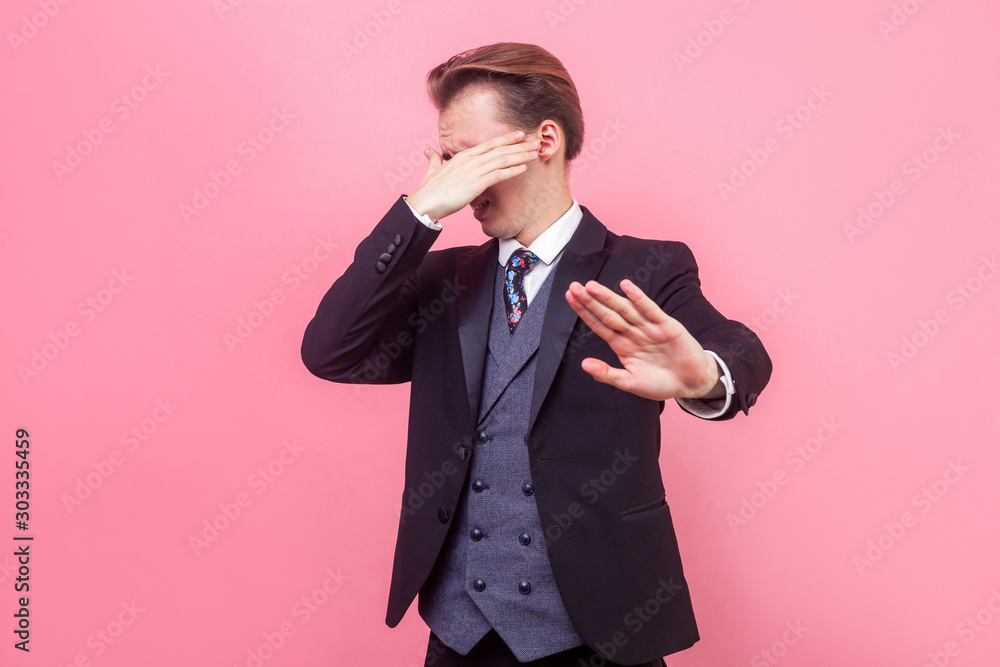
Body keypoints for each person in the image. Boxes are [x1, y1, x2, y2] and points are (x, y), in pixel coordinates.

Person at [301, 42, 772, 667]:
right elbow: (331, 350)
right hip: (459, 634)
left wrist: (706, 376)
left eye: (468, 156)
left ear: (544, 140)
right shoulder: (440, 281)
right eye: (445, 161)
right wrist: (418, 214)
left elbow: (739, 349)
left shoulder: (644, 266)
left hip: (601, 631)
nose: (454, 180)